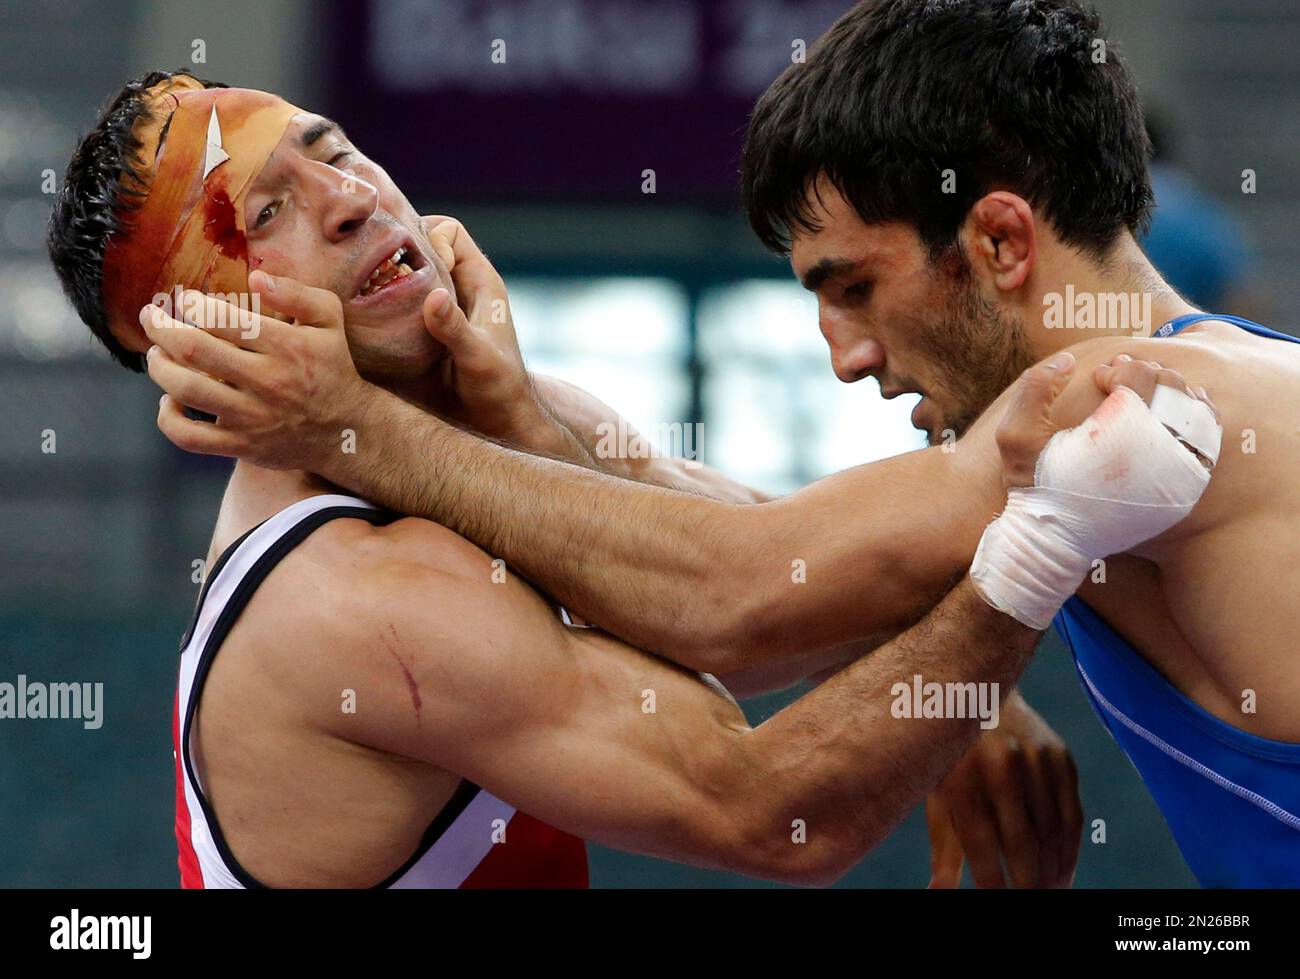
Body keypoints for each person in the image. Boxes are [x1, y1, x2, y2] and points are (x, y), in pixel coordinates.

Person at [135, 0, 1300, 888]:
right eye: (269, 209)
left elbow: (738, 591)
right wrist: (981, 655)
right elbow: (756, 604)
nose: (845, 357)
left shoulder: (1134, 410)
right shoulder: (1129, 421)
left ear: (997, 239)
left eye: (851, 287)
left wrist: (370, 429)